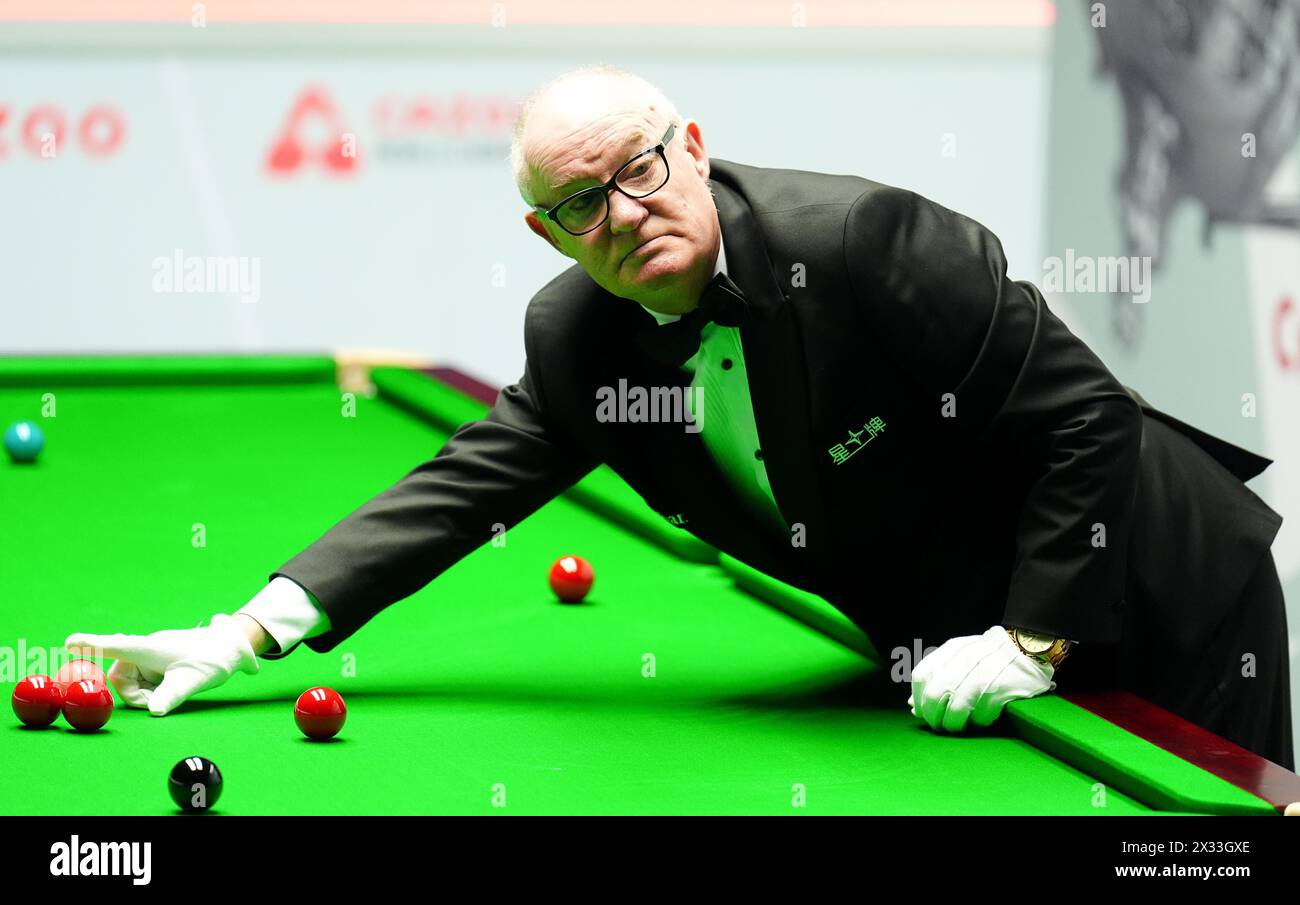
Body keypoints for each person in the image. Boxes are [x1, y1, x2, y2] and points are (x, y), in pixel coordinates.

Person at [67, 64, 1294, 770]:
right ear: (545, 234)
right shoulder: (580, 339)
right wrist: (247, 629)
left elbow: (1086, 419)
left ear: (692, 148)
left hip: (1162, 590)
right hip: (947, 659)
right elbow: (464, 486)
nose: (626, 211)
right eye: (580, 203)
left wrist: (1030, 640)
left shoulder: (857, 245)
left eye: (640, 168)